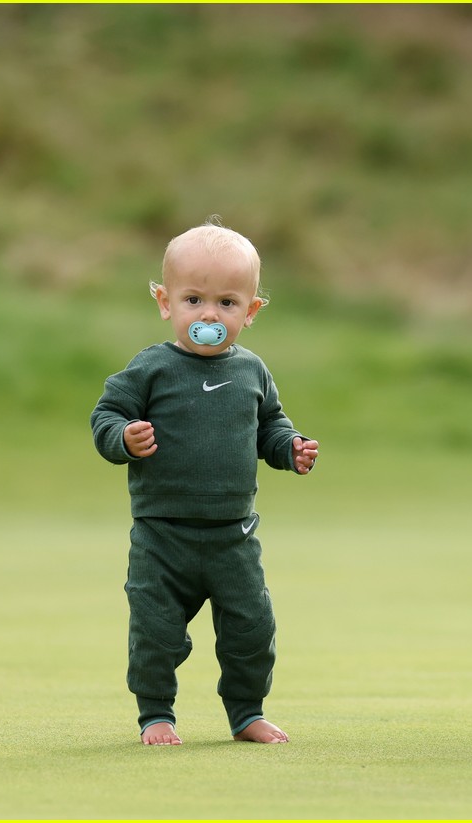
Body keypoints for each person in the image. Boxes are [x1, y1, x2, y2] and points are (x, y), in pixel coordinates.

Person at [91, 220, 319, 746]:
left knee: (251, 628)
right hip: (161, 536)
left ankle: (246, 712)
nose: (209, 316)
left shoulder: (252, 372)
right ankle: (156, 713)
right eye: (193, 300)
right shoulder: (151, 368)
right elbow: (106, 415)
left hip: (232, 536)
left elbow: (270, 426)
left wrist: (290, 448)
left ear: (251, 310)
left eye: (227, 303)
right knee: (155, 630)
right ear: (165, 302)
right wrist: (123, 437)